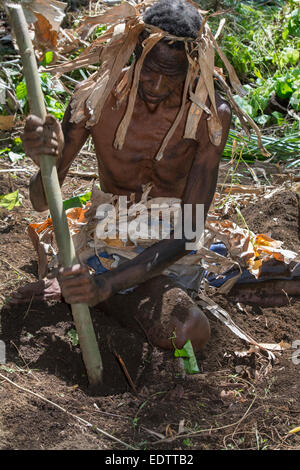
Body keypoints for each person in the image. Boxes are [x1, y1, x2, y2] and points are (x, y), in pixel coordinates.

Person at [10, 0, 233, 352]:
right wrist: (44, 159)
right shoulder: (95, 99)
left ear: (193, 66)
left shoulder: (208, 116)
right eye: (149, 69)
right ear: (134, 50)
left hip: (167, 250)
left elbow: (188, 232)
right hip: (107, 238)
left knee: (189, 330)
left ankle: (82, 293)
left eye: (172, 76)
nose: (157, 86)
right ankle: (85, 289)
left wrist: (106, 285)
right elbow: (40, 200)